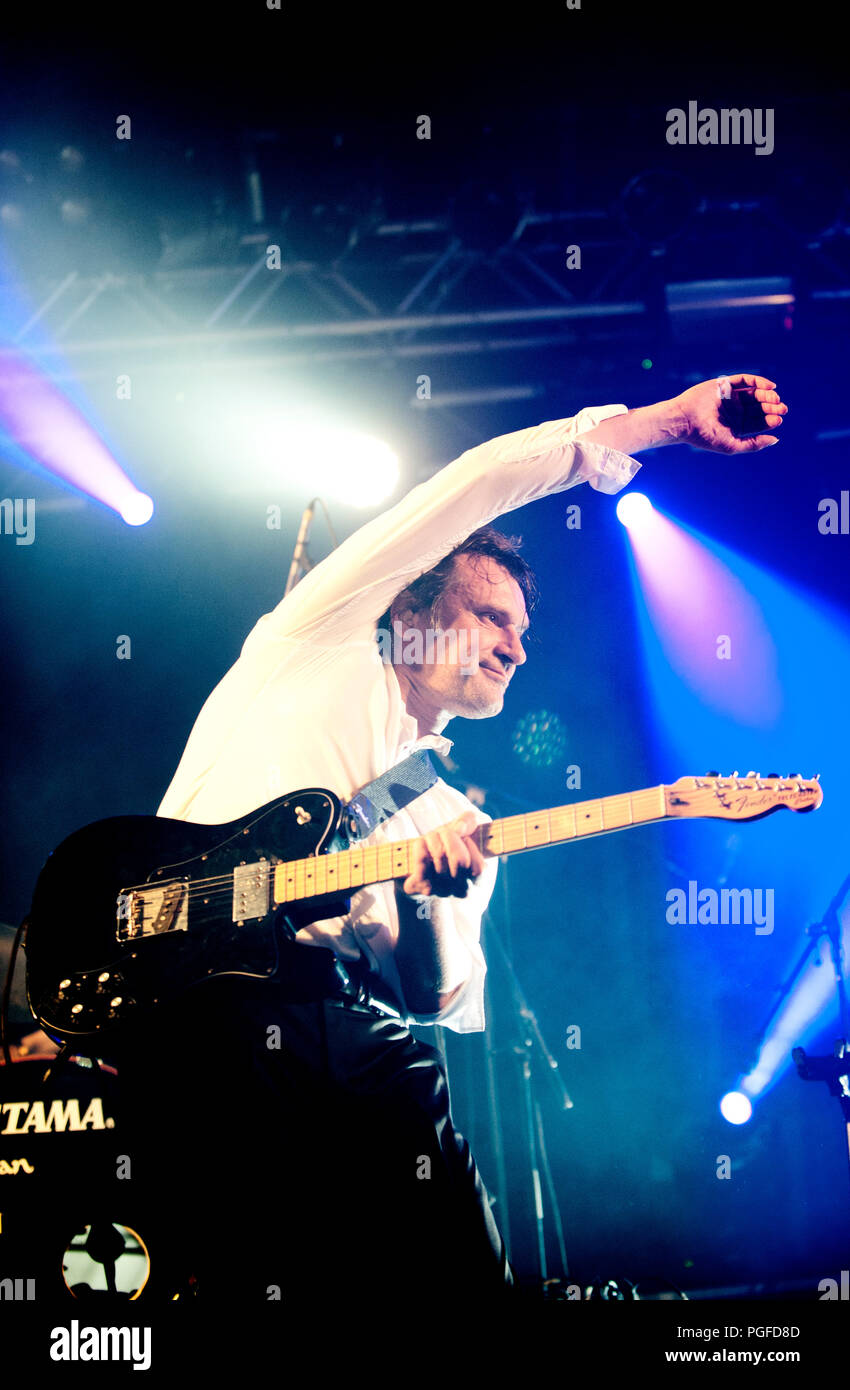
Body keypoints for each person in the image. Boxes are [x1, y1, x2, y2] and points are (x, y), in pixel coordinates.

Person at [117, 373, 786, 1306]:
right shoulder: (322, 635)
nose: (517, 646)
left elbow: (432, 993)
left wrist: (435, 903)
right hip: (181, 983)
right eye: (492, 616)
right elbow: (479, 480)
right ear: (411, 607)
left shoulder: (449, 814)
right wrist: (667, 424)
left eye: (525, 630)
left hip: (317, 1015)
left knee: (407, 1102)